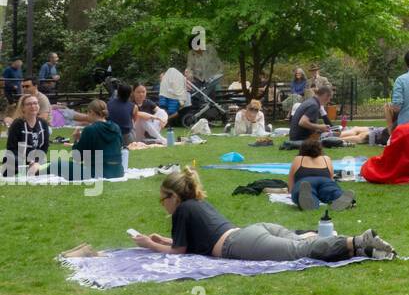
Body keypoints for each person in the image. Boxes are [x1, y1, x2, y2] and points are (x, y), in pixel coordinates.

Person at [133, 167, 392, 261]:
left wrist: (148, 245)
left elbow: (179, 253)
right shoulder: (196, 205)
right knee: (302, 242)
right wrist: (159, 241)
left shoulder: (183, 211)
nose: (161, 204)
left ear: (174, 197)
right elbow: (187, 245)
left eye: (162, 198)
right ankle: (363, 249)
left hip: (239, 243)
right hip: (254, 231)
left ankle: (356, 241)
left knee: (298, 252)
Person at [287, 137, 357, 211]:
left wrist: (292, 191)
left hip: (305, 181)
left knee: (303, 191)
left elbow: (291, 181)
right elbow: (331, 178)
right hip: (326, 181)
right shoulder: (326, 158)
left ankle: (310, 202)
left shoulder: (299, 159)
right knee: (331, 191)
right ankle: (339, 196)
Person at [60, 99, 123, 180]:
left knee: (59, 165)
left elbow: (77, 157)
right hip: (118, 171)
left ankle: (38, 169)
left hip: (97, 171)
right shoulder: (116, 127)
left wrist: (76, 140)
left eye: (87, 112)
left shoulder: (90, 129)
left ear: (92, 112)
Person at [4, 92, 50, 176]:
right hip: (18, 158)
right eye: (29, 104)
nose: (33, 106)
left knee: (52, 165)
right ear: (23, 108)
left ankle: (33, 169)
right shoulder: (17, 124)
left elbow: (45, 147)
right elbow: (11, 148)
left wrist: (36, 162)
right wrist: (28, 161)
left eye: (35, 103)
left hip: (36, 159)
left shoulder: (43, 123)